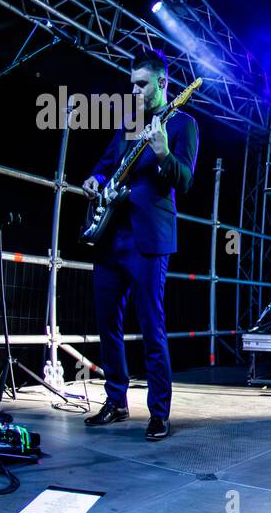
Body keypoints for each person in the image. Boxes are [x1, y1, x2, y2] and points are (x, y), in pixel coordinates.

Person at [82, 48, 198, 440]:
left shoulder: (183, 124)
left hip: (149, 239)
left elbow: (184, 180)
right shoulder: (129, 124)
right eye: (131, 83)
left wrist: (163, 151)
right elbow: (106, 163)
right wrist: (96, 179)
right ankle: (116, 401)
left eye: (142, 84)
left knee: (152, 326)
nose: (134, 89)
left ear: (163, 84)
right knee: (106, 324)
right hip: (112, 235)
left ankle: (159, 412)